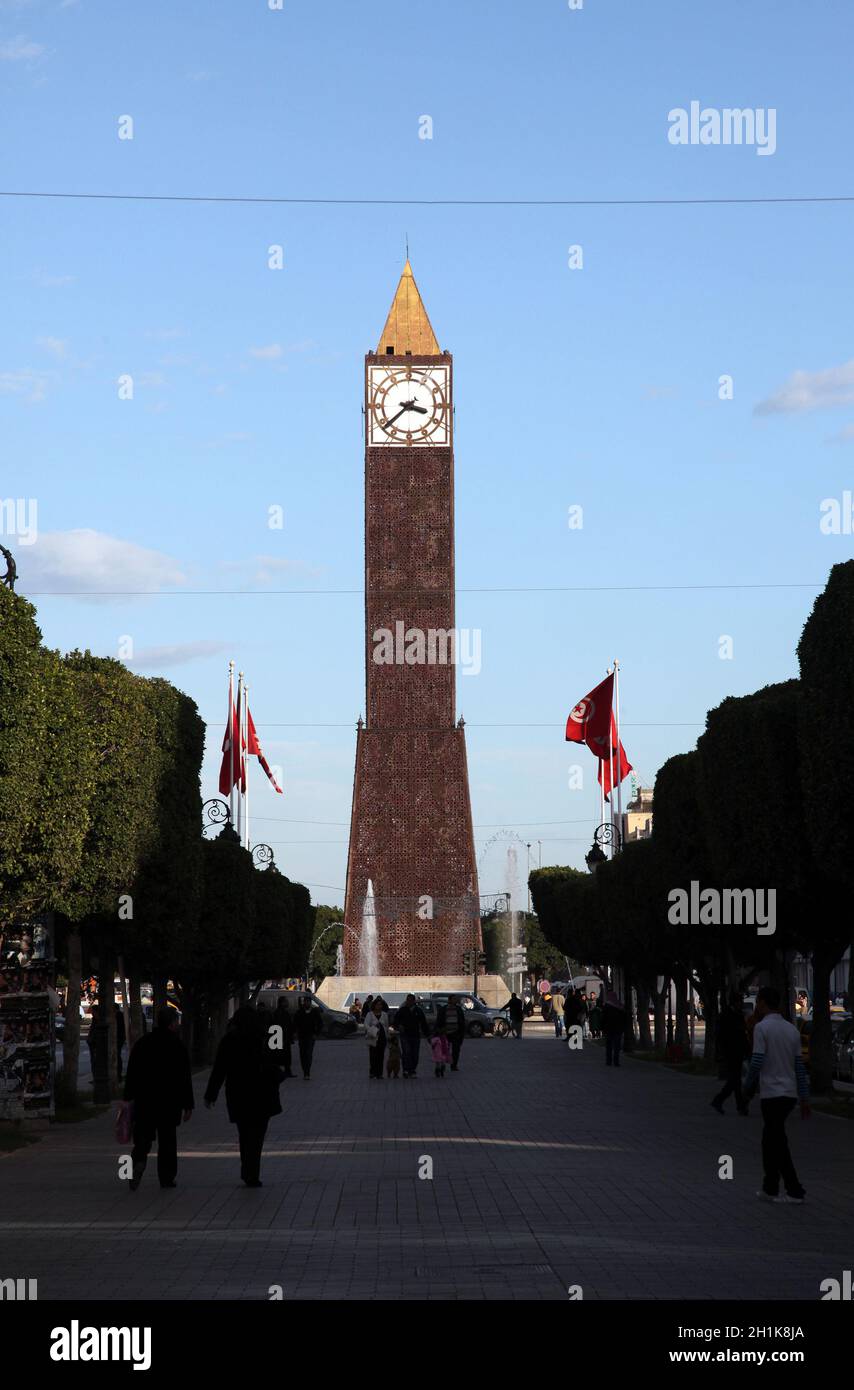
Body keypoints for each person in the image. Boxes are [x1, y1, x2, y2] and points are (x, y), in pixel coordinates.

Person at [743, 986, 809, 1203]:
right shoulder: (791, 1030)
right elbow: (799, 1067)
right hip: (788, 1093)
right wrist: (804, 1097)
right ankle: (770, 1186)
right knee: (770, 1139)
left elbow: (757, 1061)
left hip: (771, 1093)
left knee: (777, 1142)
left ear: (762, 1003)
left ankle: (794, 1189)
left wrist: (748, 1086)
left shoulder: (762, 1029)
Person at [204, 1007, 282, 1188]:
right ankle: (252, 1173)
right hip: (262, 1095)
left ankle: (247, 1169)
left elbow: (219, 1070)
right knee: (257, 1137)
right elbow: (274, 1062)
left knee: (244, 1134)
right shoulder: (263, 1038)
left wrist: (211, 1095)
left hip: (238, 1094)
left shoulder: (230, 1040)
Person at [123, 1007, 194, 1191]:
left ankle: (137, 1162)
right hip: (170, 1102)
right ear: (172, 1024)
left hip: (145, 1100)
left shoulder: (143, 1043)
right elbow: (185, 1077)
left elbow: (132, 1072)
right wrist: (188, 1105)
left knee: (142, 1138)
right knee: (168, 1140)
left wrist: (127, 1097)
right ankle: (167, 1177)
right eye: (176, 1021)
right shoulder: (177, 1046)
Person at [711, 994, 750, 1116]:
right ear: (734, 1003)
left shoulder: (738, 1015)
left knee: (735, 1080)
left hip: (738, 1051)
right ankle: (724, 1101)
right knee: (735, 1080)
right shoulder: (727, 1016)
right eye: (739, 1002)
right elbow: (721, 1036)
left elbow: (743, 1035)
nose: (741, 1004)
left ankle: (735, 1104)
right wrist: (721, 1052)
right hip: (730, 1052)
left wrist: (746, 1049)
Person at [393, 993, 430, 1077]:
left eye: (410, 1000)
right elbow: (395, 1021)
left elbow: (424, 1024)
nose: (408, 1002)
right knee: (406, 1052)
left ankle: (412, 1070)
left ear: (414, 1001)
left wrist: (428, 1035)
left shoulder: (418, 1011)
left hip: (415, 1035)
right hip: (405, 1035)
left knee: (415, 1053)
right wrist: (398, 1026)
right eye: (407, 1000)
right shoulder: (402, 1010)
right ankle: (406, 1070)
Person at [293, 995, 322, 1079]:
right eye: (305, 1002)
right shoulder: (299, 1012)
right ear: (303, 1003)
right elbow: (295, 1023)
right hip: (302, 1036)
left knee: (308, 1054)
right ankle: (305, 1071)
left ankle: (307, 1072)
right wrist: (295, 1032)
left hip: (311, 1036)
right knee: (302, 1054)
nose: (306, 1003)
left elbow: (320, 1023)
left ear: (310, 1003)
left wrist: (316, 1033)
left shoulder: (314, 1012)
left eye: (308, 1002)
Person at [437, 995, 466, 1071]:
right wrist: (439, 1031)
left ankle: (454, 1065)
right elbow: (439, 1021)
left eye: (456, 999)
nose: (455, 1000)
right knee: (444, 1050)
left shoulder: (458, 1009)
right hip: (445, 1033)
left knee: (456, 1050)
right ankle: (443, 1065)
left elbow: (462, 1021)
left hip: (456, 1033)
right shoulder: (443, 1009)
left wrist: (462, 1033)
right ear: (449, 1000)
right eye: (454, 999)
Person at [272, 995, 295, 1078]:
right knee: (280, 1055)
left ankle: (286, 1071)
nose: (287, 1003)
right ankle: (281, 1072)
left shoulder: (283, 1012)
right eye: (286, 1001)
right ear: (282, 1003)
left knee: (284, 1056)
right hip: (281, 1038)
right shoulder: (279, 1013)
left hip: (284, 1038)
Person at [365, 997, 389, 1078]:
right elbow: (366, 1025)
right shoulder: (370, 1014)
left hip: (382, 1037)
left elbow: (386, 1025)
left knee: (381, 1056)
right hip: (373, 1037)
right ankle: (372, 1072)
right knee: (373, 1056)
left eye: (380, 1005)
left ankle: (379, 1073)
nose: (379, 1006)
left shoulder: (384, 1014)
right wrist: (372, 1030)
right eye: (377, 1004)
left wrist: (387, 1033)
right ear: (374, 1005)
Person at [602, 989, 626, 1067]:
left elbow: (603, 1018)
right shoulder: (619, 1006)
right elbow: (623, 1018)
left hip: (609, 1028)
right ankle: (616, 1061)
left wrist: (603, 1028)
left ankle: (608, 1061)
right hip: (617, 1029)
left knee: (609, 1046)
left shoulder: (606, 1006)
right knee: (616, 1046)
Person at [114, 1005, 126, 1083]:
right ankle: (118, 1074)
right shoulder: (120, 1015)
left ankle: (118, 1075)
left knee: (117, 1056)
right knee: (117, 1055)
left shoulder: (118, 1015)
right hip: (120, 1038)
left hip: (118, 1038)